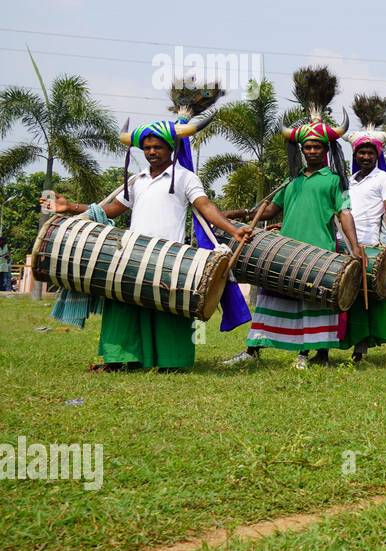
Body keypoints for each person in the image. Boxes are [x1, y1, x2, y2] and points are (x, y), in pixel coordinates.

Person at [45, 117, 252, 371]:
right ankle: (122, 361)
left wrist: (234, 230)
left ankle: (172, 363)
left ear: (170, 148)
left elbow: (205, 206)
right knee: (123, 304)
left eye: (158, 147)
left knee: (171, 308)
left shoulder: (185, 178)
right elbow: (112, 209)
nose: (152, 152)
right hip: (133, 253)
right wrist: (71, 207)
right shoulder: (137, 180)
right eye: (147, 148)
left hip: (171, 256)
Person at [223, 114, 365, 369]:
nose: (311, 151)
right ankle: (252, 350)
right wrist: (240, 214)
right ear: (301, 150)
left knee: (315, 303)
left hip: (318, 252)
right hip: (285, 251)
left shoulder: (334, 181)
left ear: (325, 149)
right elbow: (270, 211)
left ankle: (311, 354)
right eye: (307, 147)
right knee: (271, 299)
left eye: (316, 147)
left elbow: (344, 214)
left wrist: (354, 247)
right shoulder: (292, 181)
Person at [339, 125, 386, 362]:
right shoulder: (349, 181)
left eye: (370, 153)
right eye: (361, 153)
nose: (366, 157)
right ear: (354, 155)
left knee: (366, 299)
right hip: (345, 245)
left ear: (377, 156)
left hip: (369, 245)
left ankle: (360, 350)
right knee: (346, 297)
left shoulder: (383, 178)